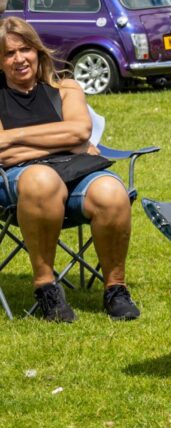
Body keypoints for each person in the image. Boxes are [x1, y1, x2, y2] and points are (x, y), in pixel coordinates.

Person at [0, 17, 137, 322]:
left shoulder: (66, 86)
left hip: (76, 173)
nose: (19, 59)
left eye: (25, 49)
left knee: (111, 191)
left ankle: (116, 289)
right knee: (42, 178)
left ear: (37, 51)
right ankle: (47, 288)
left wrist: (14, 136)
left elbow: (80, 132)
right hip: (16, 184)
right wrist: (64, 141)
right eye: (9, 54)